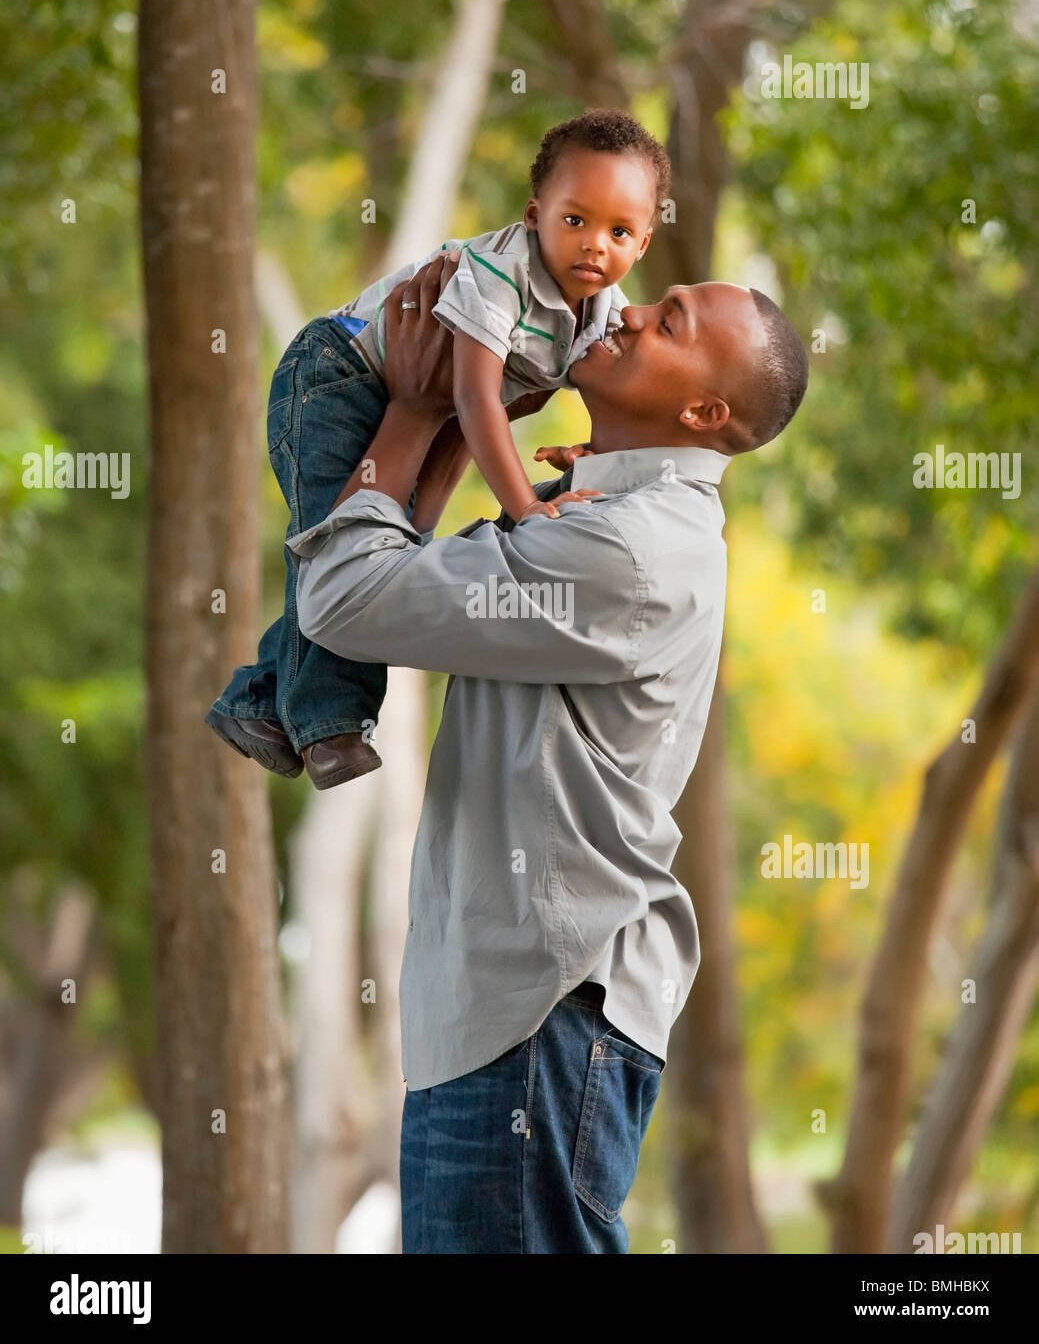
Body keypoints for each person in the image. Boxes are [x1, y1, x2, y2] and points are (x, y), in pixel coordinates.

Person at [283, 251, 810, 1253]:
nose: (630, 309)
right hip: (516, 1014)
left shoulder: (630, 549)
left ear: (703, 415)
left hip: (540, 1011)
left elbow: (347, 600)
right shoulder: (601, 514)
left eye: (671, 322)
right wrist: (449, 419)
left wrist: (408, 407)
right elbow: (398, 581)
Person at [205, 108, 670, 790]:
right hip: (336, 379)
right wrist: (524, 507)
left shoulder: (600, 306)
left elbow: (592, 392)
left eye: (618, 231)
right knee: (337, 539)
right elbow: (477, 399)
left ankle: (255, 703)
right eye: (574, 220)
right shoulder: (499, 275)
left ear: (644, 242)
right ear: (535, 214)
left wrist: (591, 453)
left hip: (412, 403)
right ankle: (330, 725)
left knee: (383, 547)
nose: (593, 245)